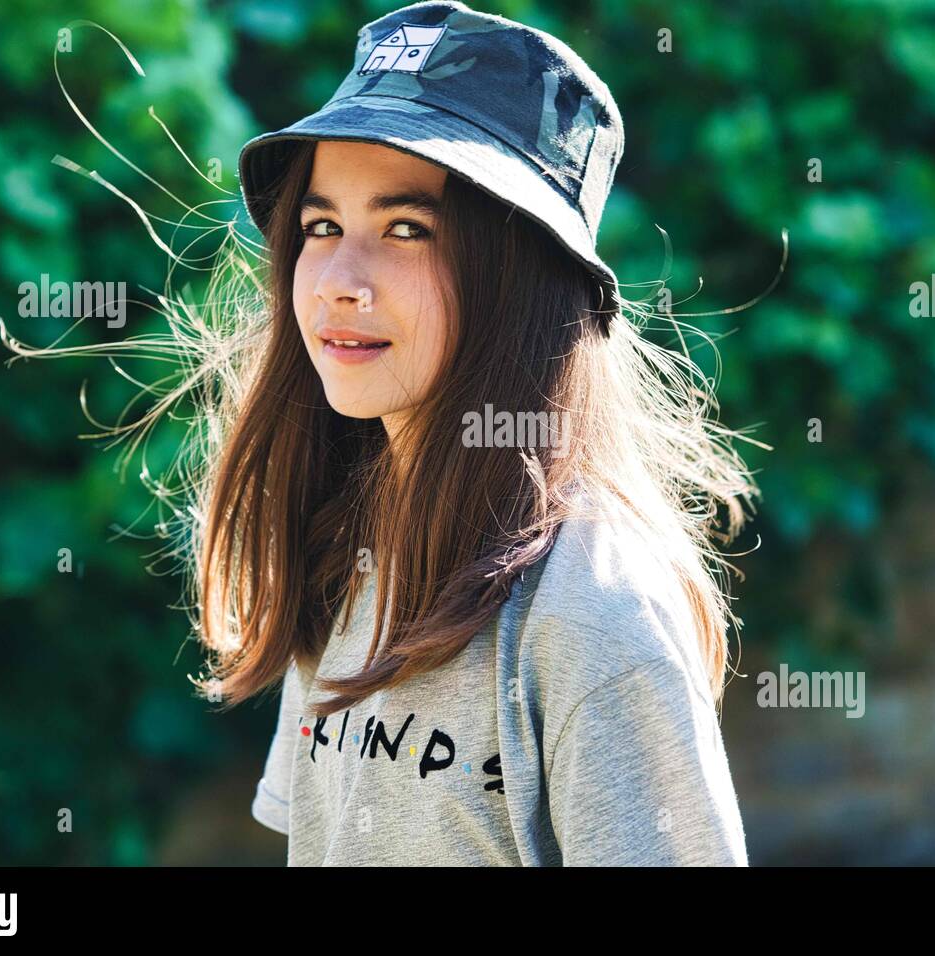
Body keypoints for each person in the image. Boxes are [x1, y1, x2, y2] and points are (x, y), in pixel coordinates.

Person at [210, 0, 759, 866]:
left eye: (405, 229)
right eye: (322, 227)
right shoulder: (339, 546)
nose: (337, 282)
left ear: (522, 275)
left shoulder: (596, 614)